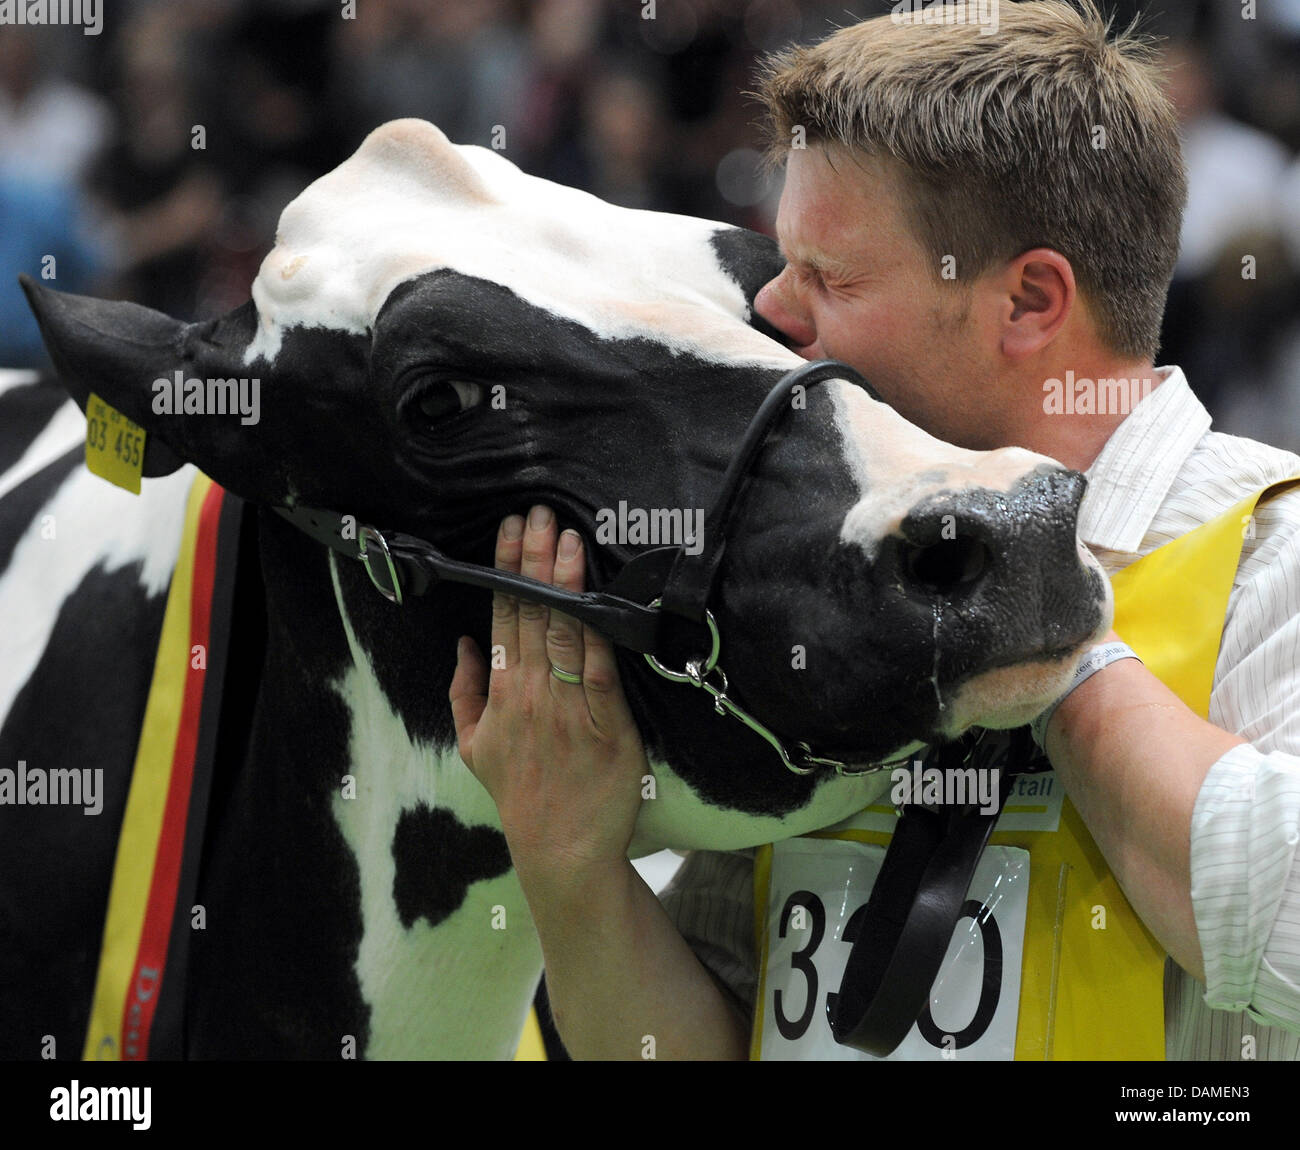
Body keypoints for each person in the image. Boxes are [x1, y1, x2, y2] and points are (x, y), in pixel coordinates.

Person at [449, 0, 1300, 1060]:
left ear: (1030, 301)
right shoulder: (809, 567)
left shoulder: (1274, 551)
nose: (773, 311)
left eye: (829, 276)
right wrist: (570, 864)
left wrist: (1040, 623)